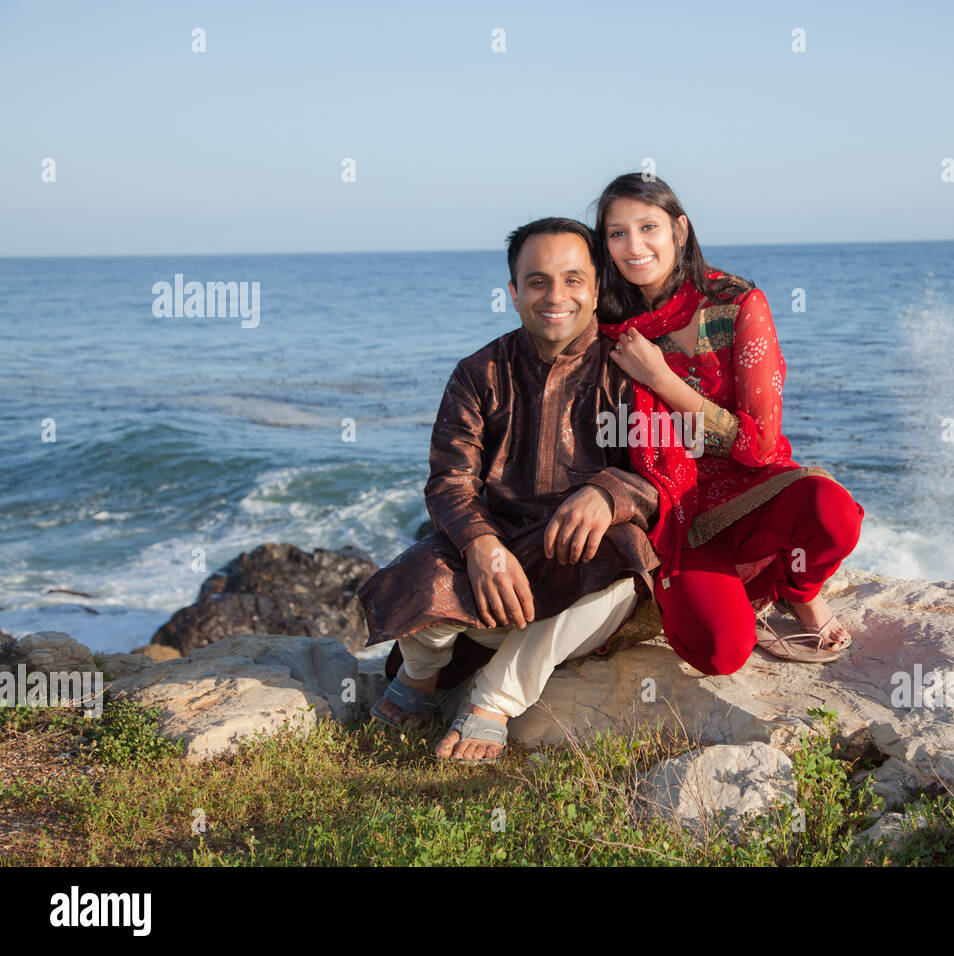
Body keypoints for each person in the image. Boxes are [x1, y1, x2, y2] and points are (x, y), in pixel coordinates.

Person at [356, 217, 660, 763]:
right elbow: (450, 481)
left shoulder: (627, 369)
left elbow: (663, 479)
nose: (556, 296)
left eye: (573, 279)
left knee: (628, 554)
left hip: (573, 566)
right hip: (494, 560)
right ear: (513, 293)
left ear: (596, 290)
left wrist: (610, 492)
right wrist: (480, 546)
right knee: (417, 572)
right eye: (538, 281)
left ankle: (495, 698)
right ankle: (422, 677)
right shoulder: (478, 373)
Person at [594, 173, 865, 674]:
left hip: (751, 485)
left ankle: (796, 590)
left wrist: (660, 378)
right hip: (671, 504)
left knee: (832, 512)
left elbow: (758, 445)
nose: (634, 246)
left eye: (648, 227)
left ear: (679, 229)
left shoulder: (737, 303)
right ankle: (713, 591)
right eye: (616, 233)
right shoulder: (604, 320)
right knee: (720, 652)